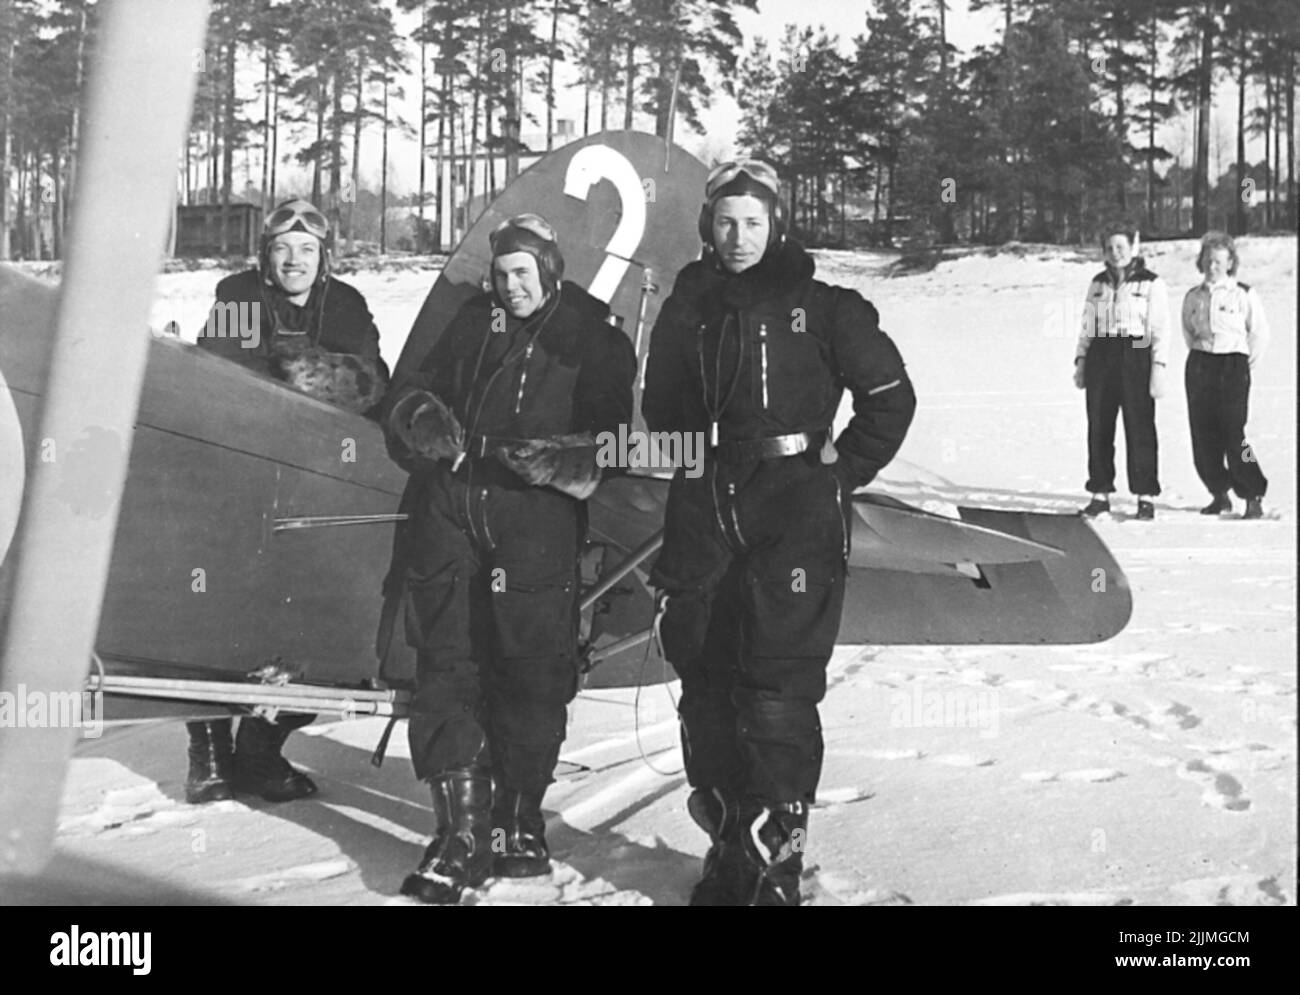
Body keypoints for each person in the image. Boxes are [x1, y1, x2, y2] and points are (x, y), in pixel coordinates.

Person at [641, 160, 916, 906]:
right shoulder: (688, 304)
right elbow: (661, 407)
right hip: (704, 510)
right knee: (704, 681)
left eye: (753, 222)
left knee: (774, 692)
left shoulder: (825, 307)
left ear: (777, 226)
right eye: (726, 222)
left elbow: (889, 398)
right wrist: (699, 463)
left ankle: (774, 868)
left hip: (792, 516)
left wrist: (836, 473)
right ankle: (729, 851)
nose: (738, 237)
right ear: (708, 226)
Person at [381, 214, 635, 904]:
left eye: (523, 272)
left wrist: (565, 458)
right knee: (447, 661)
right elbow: (408, 391)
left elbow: (615, 439)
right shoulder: (472, 324)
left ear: (551, 270)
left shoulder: (596, 341)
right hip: (454, 505)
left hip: (536, 515)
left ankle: (519, 819)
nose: (510, 285)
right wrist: (422, 417)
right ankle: (460, 834)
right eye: (501, 273)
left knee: (532, 667)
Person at [184, 198, 390, 805]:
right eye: (282, 249)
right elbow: (219, 381)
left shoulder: (346, 304)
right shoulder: (239, 298)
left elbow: (371, 382)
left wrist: (290, 370)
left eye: (306, 250)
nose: (293, 260)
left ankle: (262, 749)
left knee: (319, 623)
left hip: (320, 481)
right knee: (210, 615)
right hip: (240, 476)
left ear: (323, 258)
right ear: (265, 257)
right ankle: (210, 752)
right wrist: (312, 377)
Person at [1073, 223, 1170, 520]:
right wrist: (1081, 360)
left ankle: (1144, 496)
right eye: (1110, 248)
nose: (1116, 254)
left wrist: (1158, 367)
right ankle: (1100, 493)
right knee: (1099, 426)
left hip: (1136, 352)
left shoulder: (1151, 284)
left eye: (1121, 247)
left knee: (1139, 427)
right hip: (1102, 355)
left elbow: (1160, 330)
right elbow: (1088, 325)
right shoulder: (1098, 284)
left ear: (1133, 248)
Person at [1181, 231, 1271, 519]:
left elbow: (1258, 334)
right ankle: (1218, 493)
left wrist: (1241, 365)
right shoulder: (1194, 296)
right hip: (1201, 365)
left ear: (1230, 262)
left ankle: (1252, 493)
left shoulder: (1243, 293)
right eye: (1208, 260)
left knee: (1234, 434)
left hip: (1232, 365)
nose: (1212, 266)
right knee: (1203, 433)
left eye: (1219, 261)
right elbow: (1188, 331)